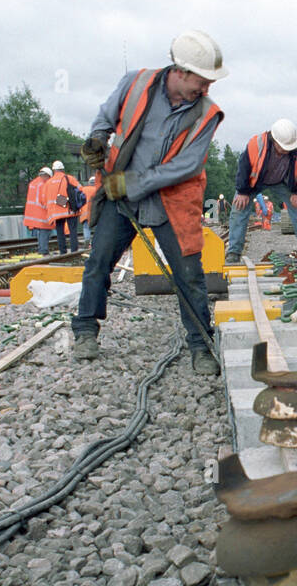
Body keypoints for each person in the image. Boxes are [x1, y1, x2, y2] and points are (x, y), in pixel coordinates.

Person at [73, 29, 226, 373]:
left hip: (170, 200)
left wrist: (133, 183)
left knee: (190, 275)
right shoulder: (135, 83)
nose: (206, 89)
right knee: (99, 262)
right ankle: (85, 330)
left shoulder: (207, 114)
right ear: (181, 71)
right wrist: (97, 140)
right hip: (118, 193)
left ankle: (201, 346)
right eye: (202, 81)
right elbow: (104, 118)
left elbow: (186, 166)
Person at [224, 118, 297, 262]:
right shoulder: (256, 144)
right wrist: (242, 192)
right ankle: (234, 252)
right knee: (239, 207)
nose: (287, 150)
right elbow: (243, 166)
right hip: (256, 182)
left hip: (282, 182)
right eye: (283, 147)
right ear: (274, 140)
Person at [44, 161, 80, 254]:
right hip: (70, 210)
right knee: (73, 232)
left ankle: (63, 252)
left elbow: (44, 198)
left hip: (56, 212)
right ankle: (74, 251)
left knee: (60, 232)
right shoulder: (69, 178)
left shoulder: (48, 182)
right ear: (62, 169)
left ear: (54, 170)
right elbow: (80, 190)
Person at [24, 166, 54, 253]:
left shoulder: (33, 183)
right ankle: (43, 250)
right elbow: (46, 200)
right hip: (42, 214)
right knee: (45, 231)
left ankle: (42, 249)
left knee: (41, 233)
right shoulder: (44, 184)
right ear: (48, 176)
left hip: (32, 214)